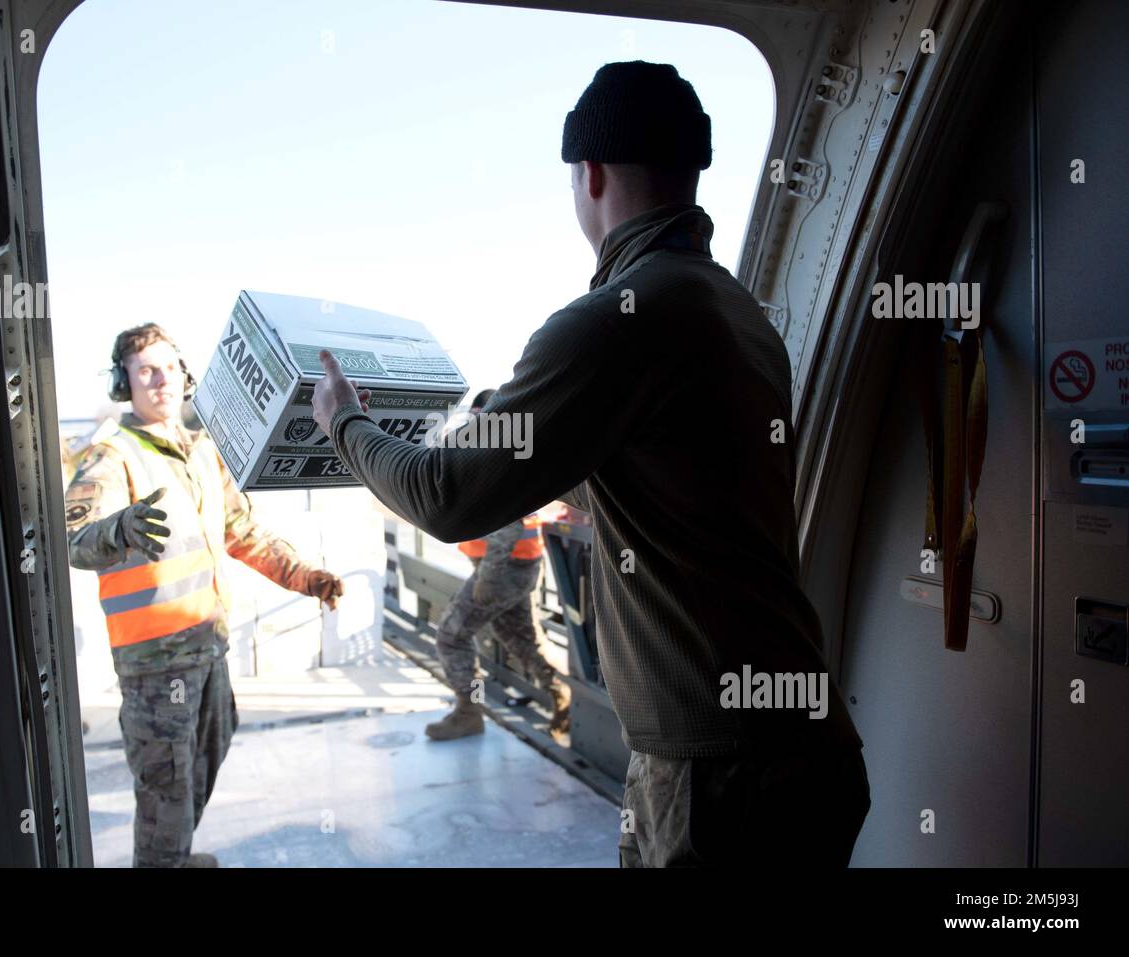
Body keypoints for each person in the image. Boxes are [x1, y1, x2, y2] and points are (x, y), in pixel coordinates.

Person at [311, 61, 869, 867]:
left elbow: (445, 494)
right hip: (796, 752)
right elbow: (682, 471)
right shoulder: (737, 312)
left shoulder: (616, 321)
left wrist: (346, 423)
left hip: (720, 776)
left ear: (592, 173)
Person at [64, 323, 344, 868]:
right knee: (165, 787)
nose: (159, 378)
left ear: (185, 376)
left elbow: (247, 535)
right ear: (125, 384)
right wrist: (120, 528)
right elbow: (77, 540)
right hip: (154, 664)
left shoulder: (200, 454)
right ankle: (163, 861)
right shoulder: (110, 455)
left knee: (206, 755)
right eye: (145, 369)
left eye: (168, 366)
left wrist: (307, 577)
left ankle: (174, 856)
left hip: (208, 648)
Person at [423, 389, 571, 742]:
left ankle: (468, 712)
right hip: (517, 566)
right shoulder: (508, 449)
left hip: (502, 570)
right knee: (520, 639)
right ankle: (563, 695)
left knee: (452, 636)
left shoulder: (500, 458)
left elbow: (507, 526)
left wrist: (487, 579)